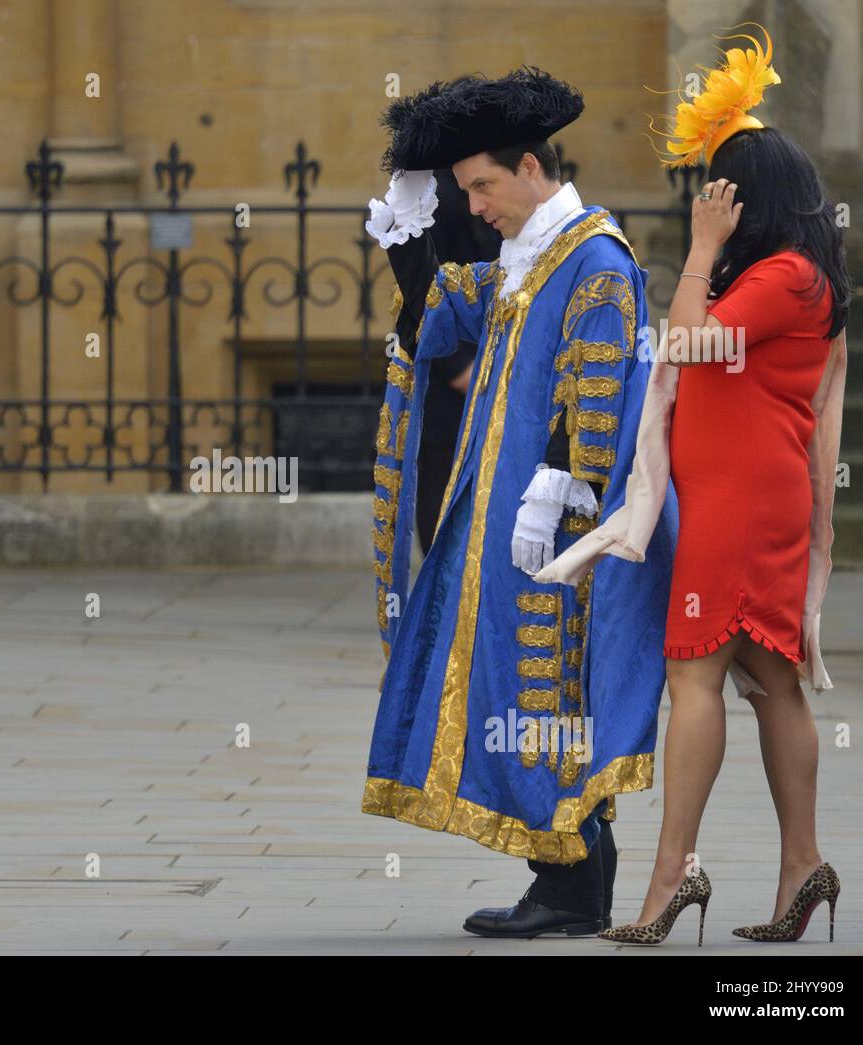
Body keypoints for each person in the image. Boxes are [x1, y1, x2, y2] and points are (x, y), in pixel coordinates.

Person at [536, 26, 849, 945]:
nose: (709, 204)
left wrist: (704, 246)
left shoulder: (788, 277)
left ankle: (673, 877)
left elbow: (684, 340)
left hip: (742, 504)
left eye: (721, 193)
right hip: (748, 498)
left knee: (694, 675)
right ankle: (803, 868)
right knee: (768, 676)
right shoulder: (792, 276)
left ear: (755, 201)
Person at [364, 67, 678, 939]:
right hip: (502, 510)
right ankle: (563, 875)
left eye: (482, 187)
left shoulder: (596, 259)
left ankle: (574, 883)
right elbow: (433, 314)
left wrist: (556, 487)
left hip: (555, 522)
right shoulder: (524, 257)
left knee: (548, 688)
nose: (479, 206)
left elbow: (600, 385)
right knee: (515, 686)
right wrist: (409, 224)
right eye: (465, 192)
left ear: (531, 168)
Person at [411, 174, 501, 555]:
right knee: (441, 474)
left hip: (487, 349)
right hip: (453, 363)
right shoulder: (439, 194)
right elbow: (419, 289)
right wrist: (458, 366)